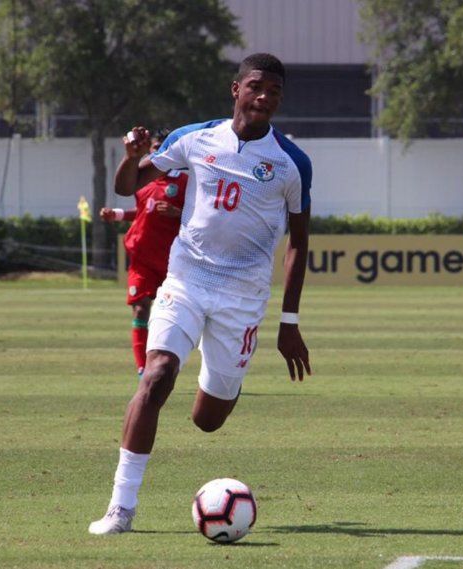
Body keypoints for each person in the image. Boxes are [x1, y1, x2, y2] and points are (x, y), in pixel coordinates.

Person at [89, 53, 312, 535]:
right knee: (157, 378)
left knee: (208, 420)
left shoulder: (292, 163)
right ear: (236, 89)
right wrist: (131, 157)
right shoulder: (193, 138)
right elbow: (129, 184)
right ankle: (120, 508)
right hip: (187, 281)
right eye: (256, 86)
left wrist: (288, 323)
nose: (264, 97)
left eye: (274, 91)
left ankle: (217, 370)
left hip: (242, 299)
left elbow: (298, 242)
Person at [99, 129, 188, 379]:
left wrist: (176, 213)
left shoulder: (185, 183)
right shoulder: (142, 181)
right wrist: (116, 215)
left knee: (171, 317)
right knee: (140, 310)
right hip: (142, 261)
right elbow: (142, 212)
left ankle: (169, 364)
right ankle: (142, 369)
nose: (158, 152)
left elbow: (201, 218)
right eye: (155, 147)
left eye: (163, 147)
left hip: (173, 263)